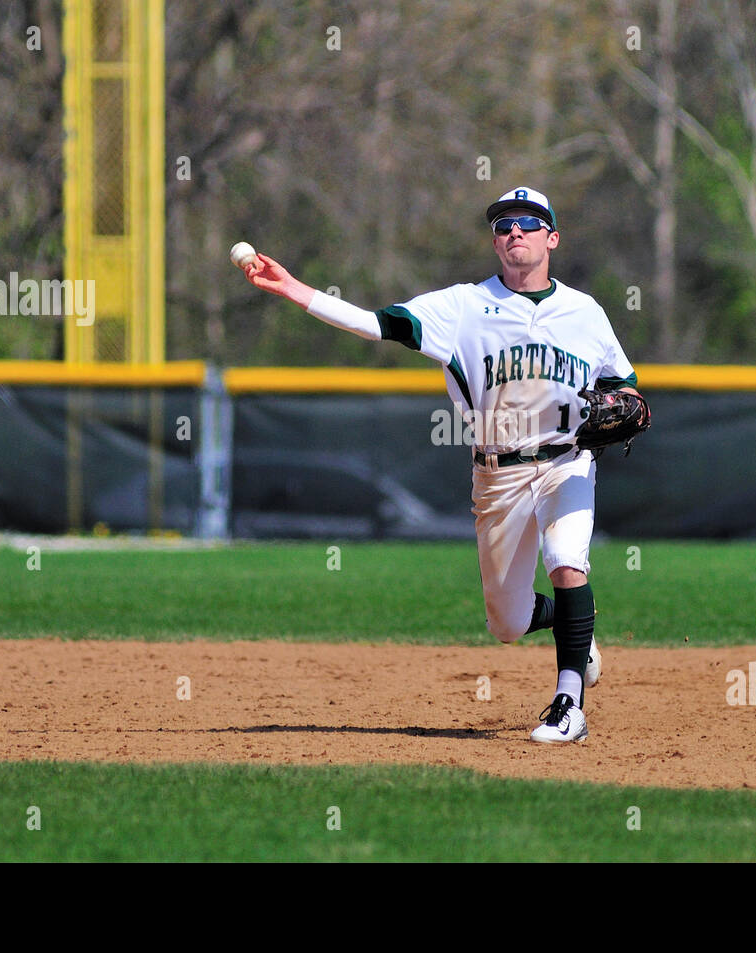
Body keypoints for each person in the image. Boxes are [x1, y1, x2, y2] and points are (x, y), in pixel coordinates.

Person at [240, 186, 645, 743]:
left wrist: (620, 404)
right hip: (497, 473)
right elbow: (373, 324)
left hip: (566, 461)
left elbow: (624, 385)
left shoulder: (585, 312)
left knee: (565, 557)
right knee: (507, 623)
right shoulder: (461, 306)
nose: (514, 232)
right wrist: (294, 289)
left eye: (528, 223)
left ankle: (567, 702)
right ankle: (578, 629)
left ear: (551, 238)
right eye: (503, 225)